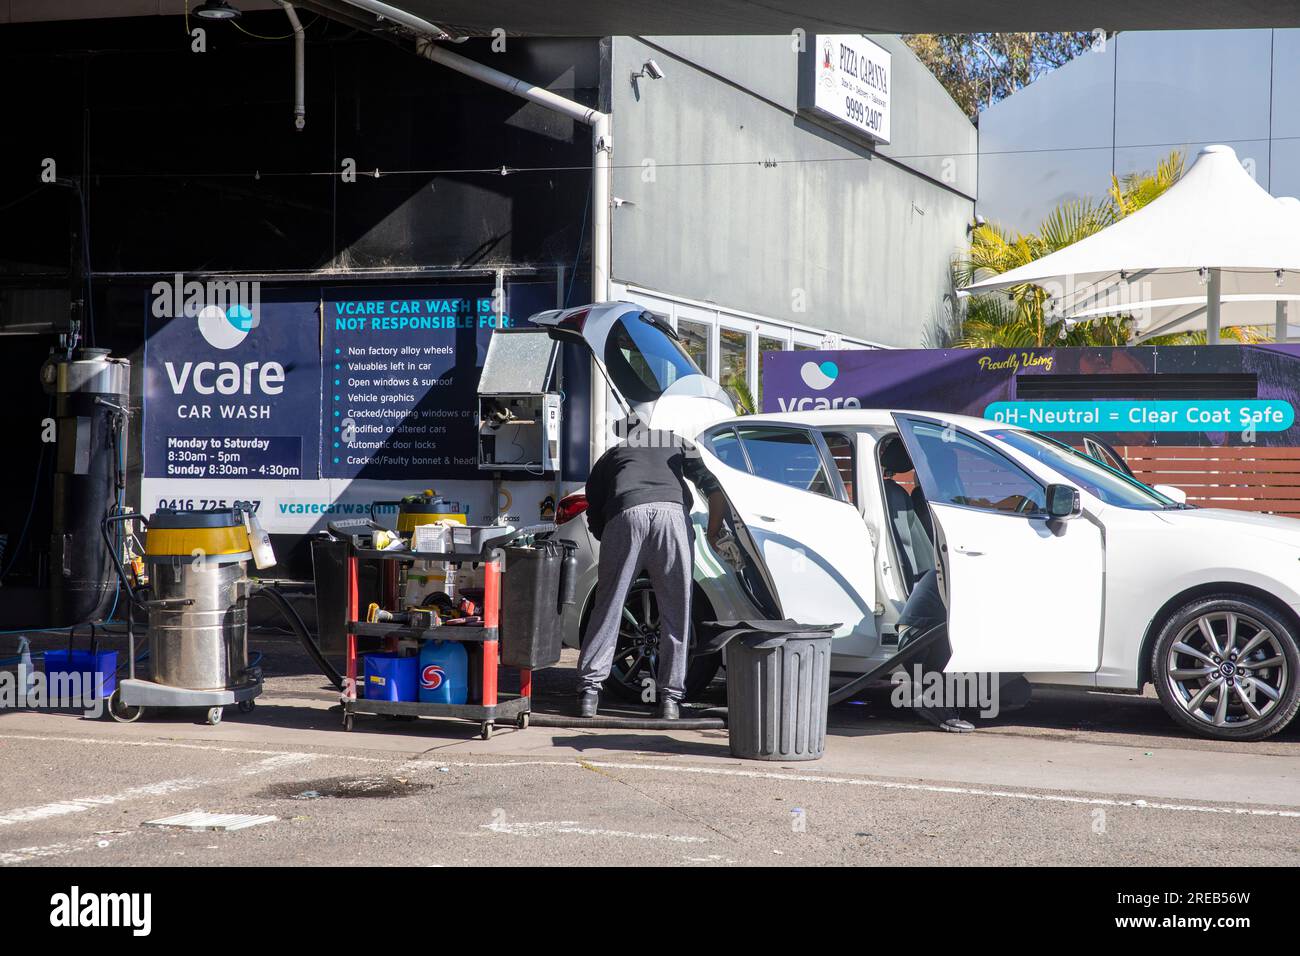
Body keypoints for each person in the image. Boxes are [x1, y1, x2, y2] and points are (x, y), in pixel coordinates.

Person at [577, 416, 726, 719]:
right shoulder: (677, 443)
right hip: (672, 517)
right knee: (676, 611)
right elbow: (714, 490)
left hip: (625, 513)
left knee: (608, 606)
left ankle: (589, 694)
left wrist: (617, 542)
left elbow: (593, 510)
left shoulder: (613, 455)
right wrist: (712, 534)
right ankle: (670, 700)